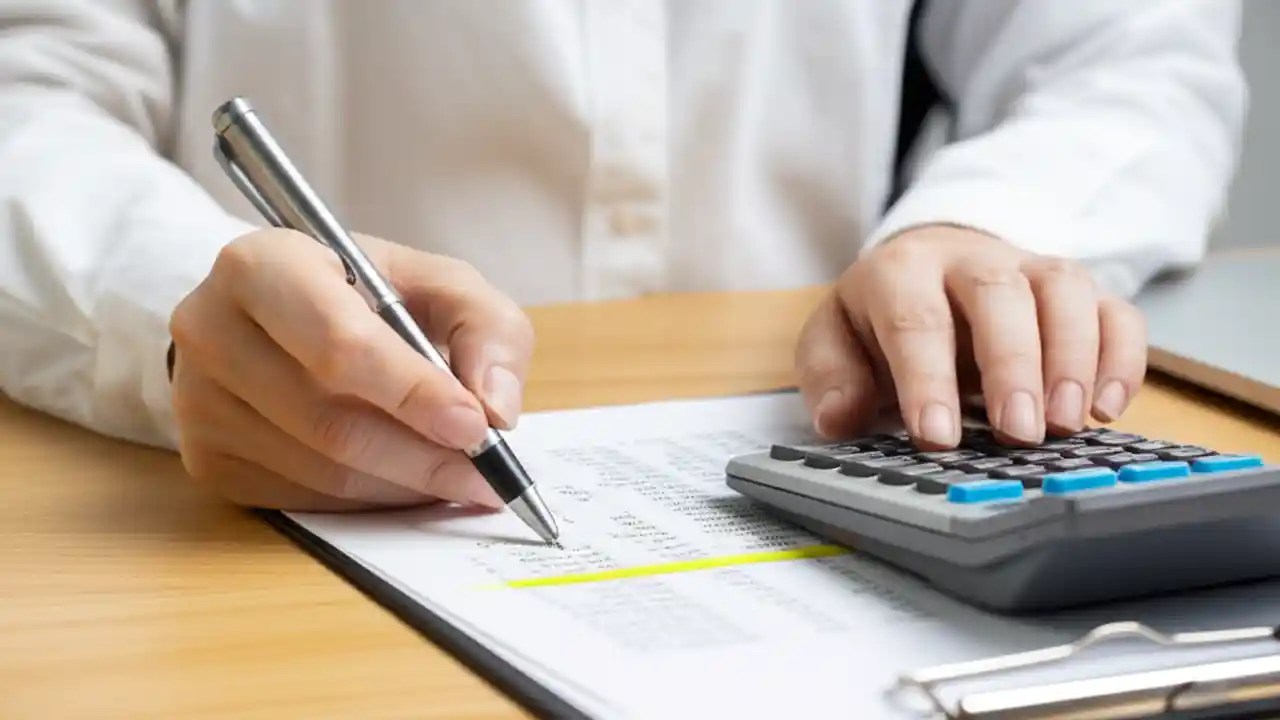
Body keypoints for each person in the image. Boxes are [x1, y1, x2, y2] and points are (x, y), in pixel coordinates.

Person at [0, 2, 1245, 511]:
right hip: (272, 517)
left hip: (824, 434)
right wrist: (172, 301)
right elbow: (27, 85)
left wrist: (984, 224)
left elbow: (1125, 54)